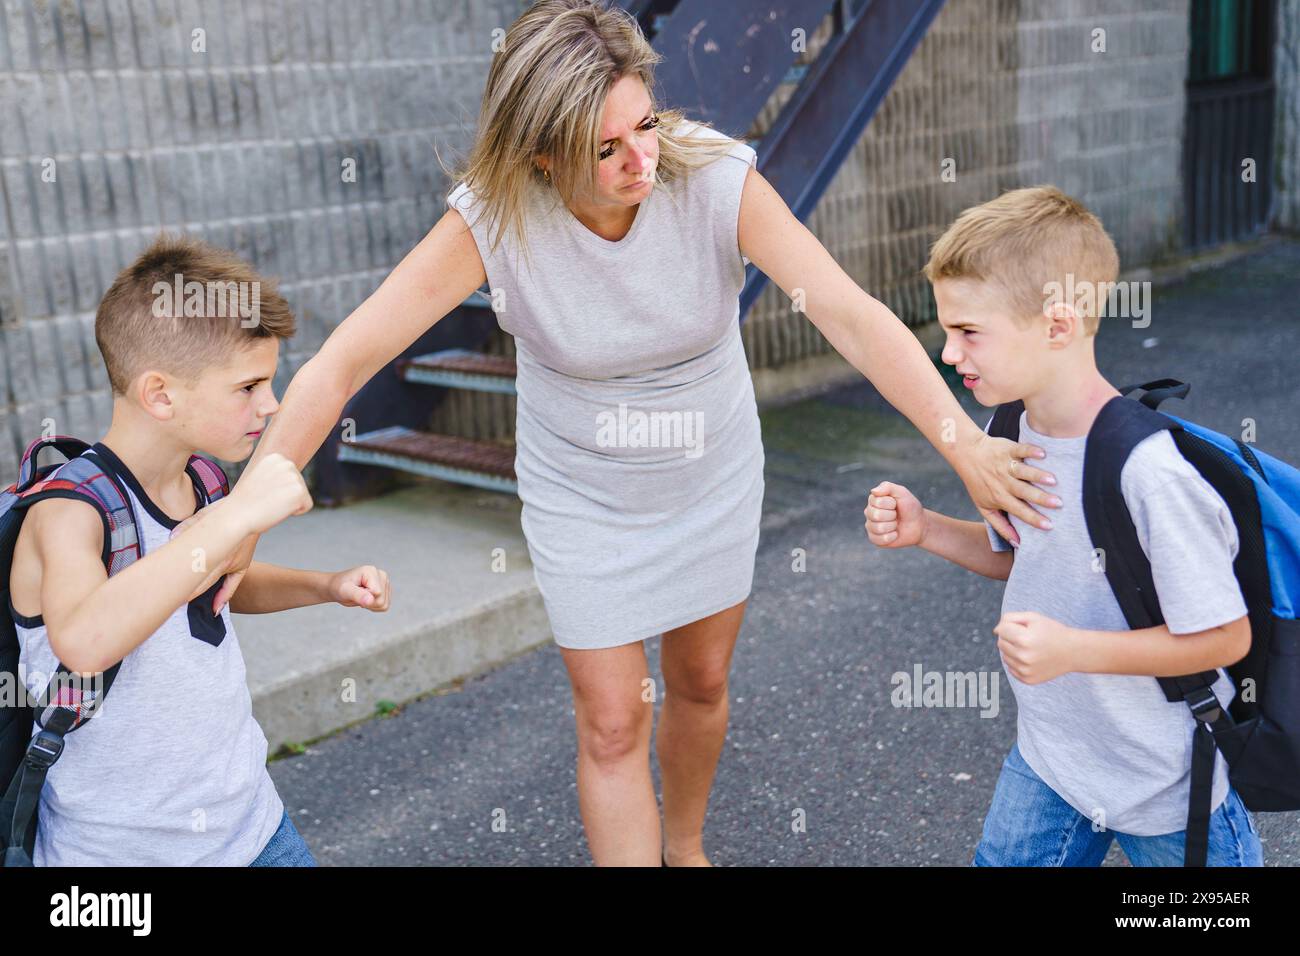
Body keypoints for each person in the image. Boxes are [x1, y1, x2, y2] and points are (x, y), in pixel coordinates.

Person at [216, 0, 1059, 867]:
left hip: (710, 470)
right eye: (606, 148)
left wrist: (965, 444)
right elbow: (340, 363)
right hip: (582, 487)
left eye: (645, 125)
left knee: (700, 684)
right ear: (541, 154)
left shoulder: (715, 181)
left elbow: (847, 311)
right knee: (614, 721)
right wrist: (236, 524)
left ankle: (684, 846)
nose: (641, 159)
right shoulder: (494, 219)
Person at [865, 186, 1261, 866]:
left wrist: (1073, 649)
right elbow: (1023, 559)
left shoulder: (1148, 473)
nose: (949, 352)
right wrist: (927, 527)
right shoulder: (1009, 430)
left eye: (968, 332)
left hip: (1166, 783)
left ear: (1057, 326)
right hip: (1053, 761)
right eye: (946, 330)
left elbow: (1224, 637)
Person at [7, 234, 392, 866]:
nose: (270, 406)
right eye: (248, 387)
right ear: (160, 394)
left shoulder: (204, 480)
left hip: (255, 828)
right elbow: (83, 640)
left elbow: (213, 587)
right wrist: (238, 514)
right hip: (117, 858)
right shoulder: (69, 511)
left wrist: (324, 585)